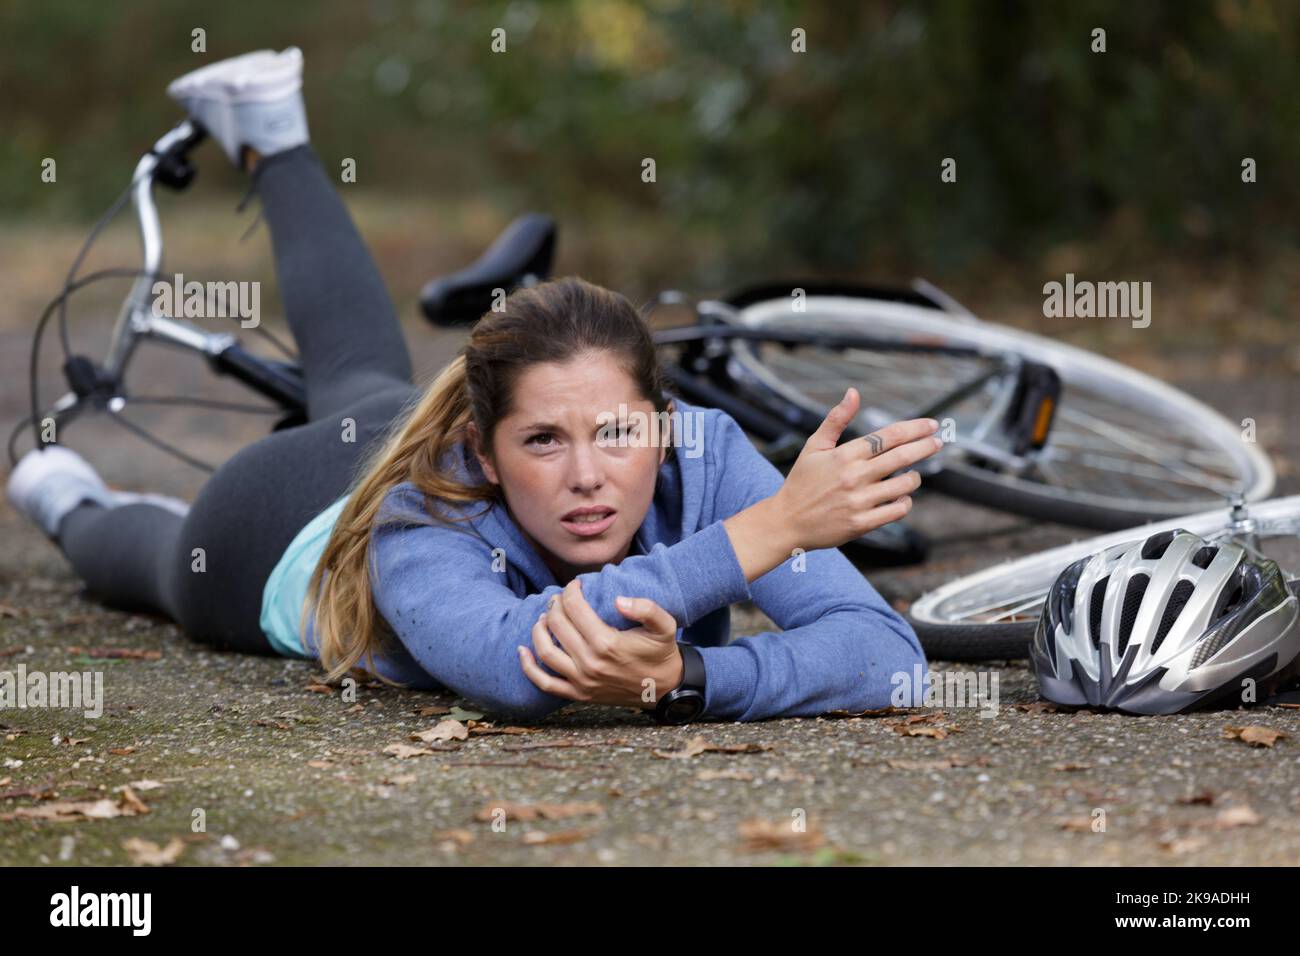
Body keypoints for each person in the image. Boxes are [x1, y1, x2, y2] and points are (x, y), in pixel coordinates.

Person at [6, 48, 942, 724]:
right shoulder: (423, 519)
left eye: (617, 436)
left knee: (359, 375)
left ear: (661, 426)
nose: (588, 477)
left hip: (410, 432)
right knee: (158, 564)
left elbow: (888, 656)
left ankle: (273, 134)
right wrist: (770, 530)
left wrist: (688, 676)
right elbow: (515, 663)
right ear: (485, 454)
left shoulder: (705, 458)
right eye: (543, 441)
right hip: (277, 533)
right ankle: (65, 493)